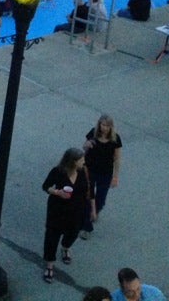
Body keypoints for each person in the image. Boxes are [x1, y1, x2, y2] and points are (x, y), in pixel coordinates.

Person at [41, 147, 92, 283]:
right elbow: (46, 186)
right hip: (57, 211)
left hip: (77, 211)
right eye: (81, 160)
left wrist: (90, 209)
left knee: (72, 233)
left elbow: (88, 190)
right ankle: (50, 264)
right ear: (73, 162)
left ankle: (65, 247)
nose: (84, 162)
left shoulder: (82, 172)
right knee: (52, 237)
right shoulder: (58, 172)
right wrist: (58, 192)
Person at [80, 114, 122, 239]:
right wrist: (86, 145)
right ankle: (86, 227)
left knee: (100, 200)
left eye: (107, 126)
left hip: (105, 173)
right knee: (88, 197)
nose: (104, 128)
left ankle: (95, 211)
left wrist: (115, 177)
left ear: (111, 127)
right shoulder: (93, 133)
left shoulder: (115, 139)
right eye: (103, 125)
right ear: (99, 124)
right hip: (90, 170)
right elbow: (84, 147)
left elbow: (117, 159)